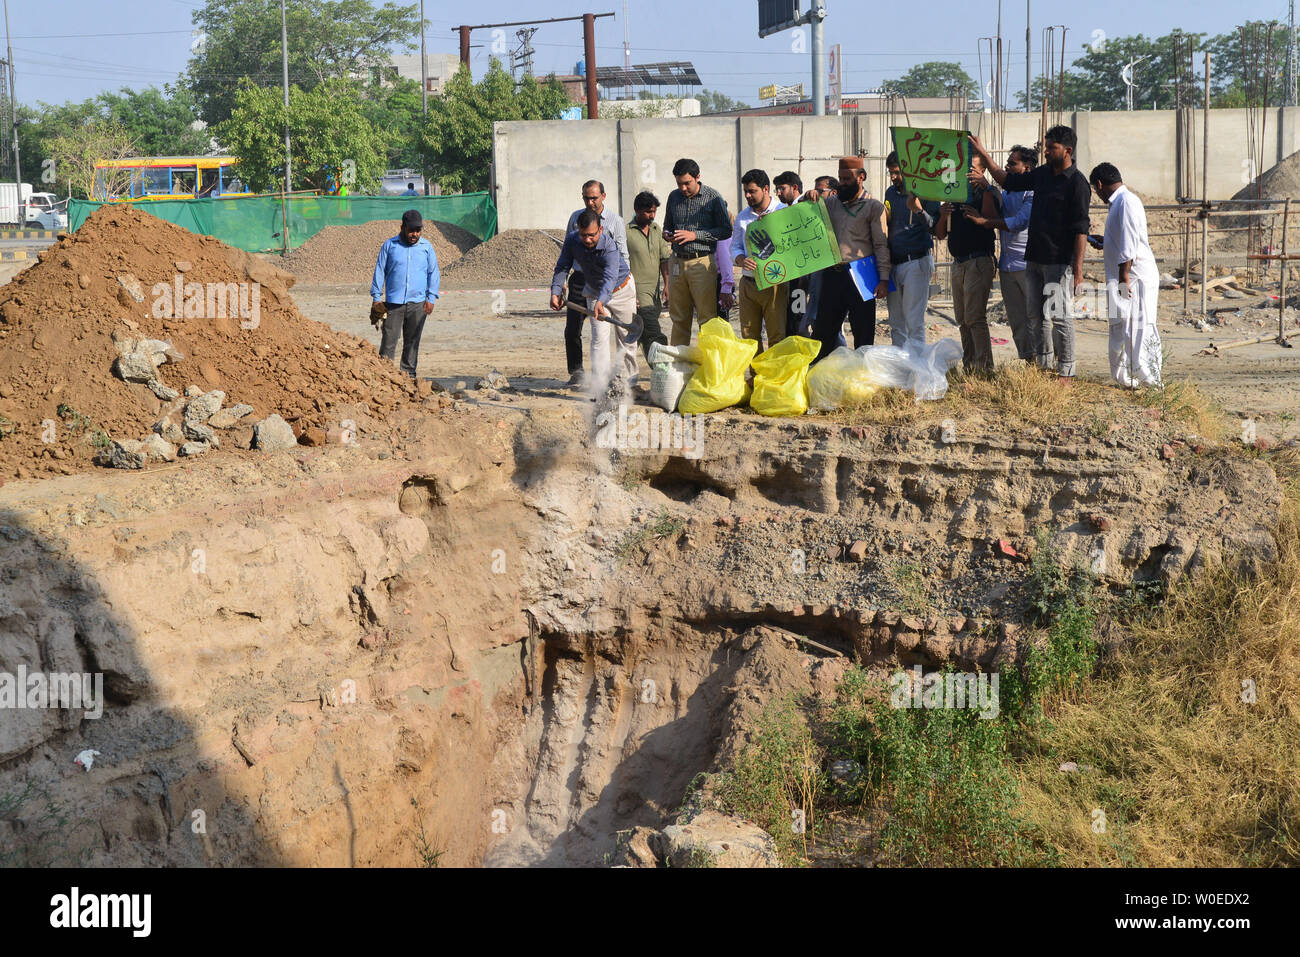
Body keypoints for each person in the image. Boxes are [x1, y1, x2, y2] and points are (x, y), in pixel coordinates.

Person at [970, 126, 1090, 381]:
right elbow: (1006, 181)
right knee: (1036, 317)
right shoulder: (1043, 175)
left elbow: (1081, 230)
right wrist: (984, 153)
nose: (1046, 152)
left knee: (1060, 317)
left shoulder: (1077, 183)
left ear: (1067, 150)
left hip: (1058, 261)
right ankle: (1044, 369)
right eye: (1046, 147)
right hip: (1034, 257)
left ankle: (1066, 372)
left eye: (1052, 148)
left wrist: (1077, 272)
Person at [803, 157, 891, 361]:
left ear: (862, 177)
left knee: (863, 336)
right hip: (833, 275)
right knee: (823, 334)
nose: (842, 183)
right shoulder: (832, 203)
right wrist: (808, 198)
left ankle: (862, 384)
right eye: (840, 178)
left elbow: (880, 244)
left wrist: (884, 279)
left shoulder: (873, 206)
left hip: (861, 277)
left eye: (847, 178)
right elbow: (806, 217)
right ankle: (818, 380)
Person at [549, 209, 639, 401]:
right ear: (578, 231)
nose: (588, 239)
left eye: (592, 235)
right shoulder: (573, 240)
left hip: (621, 290)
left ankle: (630, 383)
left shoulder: (609, 247)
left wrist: (601, 301)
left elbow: (610, 276)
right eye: (583, 235)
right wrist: (556, 290)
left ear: (600, 229)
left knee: (627, 337)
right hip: (594, 291)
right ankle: (601, 388)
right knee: (599, 339)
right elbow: (563, 265)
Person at [1090, 163, 1162, 389]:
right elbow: (1125, 238)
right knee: (1121, 326)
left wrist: (1124, 276)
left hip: (1134, 277)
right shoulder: (1119, 203)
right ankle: (1126, 379)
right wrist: (1106, 241)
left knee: (1140, 326)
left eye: (1096, 189)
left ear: (1100, 185)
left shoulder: (1126, 202)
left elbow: (1130, 241)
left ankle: (1149, 380)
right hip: (1124, 276)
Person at [962, 145, 1036, 362]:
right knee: (1017, 319)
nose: (1006, 166)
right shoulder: (1007, 191)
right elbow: (999, 215)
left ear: (1027, 168)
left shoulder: (1032, 192)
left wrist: (985, 221)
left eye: (1012, 163)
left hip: (1026, 265)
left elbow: (1019, 222)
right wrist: (986, 191)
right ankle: (1029, 361)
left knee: (1036, 318)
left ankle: (1045, 363)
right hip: (1007, 265)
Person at [934, 153, 1001, 373]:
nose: (967, 172)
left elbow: (991, 221)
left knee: (975, 317)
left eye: (972, 168)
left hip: (978, 259)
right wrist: (943, 215)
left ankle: (984, 368)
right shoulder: (955, 194)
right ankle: (971, 365)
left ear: (982, 170)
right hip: (959, 262)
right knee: (962, 319)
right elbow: (941, 234)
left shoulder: (989, 193)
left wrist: (986, 189)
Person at [562, 180, 629, 388]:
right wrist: (562, 281)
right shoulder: (576, 218)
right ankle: (577, 372)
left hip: (606, 281)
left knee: (615, 331)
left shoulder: (615, 222)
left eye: (594, 198)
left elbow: (622, 254)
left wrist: (625, 286)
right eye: (586, 198)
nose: (590, 202)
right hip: (580, 279)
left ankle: (621, 377)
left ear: (603, 196)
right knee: (573, 328)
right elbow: (567, 250)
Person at [663, 158, 732, 345]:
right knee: (678, 319)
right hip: (677, 262)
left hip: (702, 263)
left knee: (707, 319)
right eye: (679, 184)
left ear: (698, 177)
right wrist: (667, 234)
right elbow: (667, 225)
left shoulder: (713, 198)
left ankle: (707, 365)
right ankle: (680, 367)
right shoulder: (673, 197)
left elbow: (726, 230)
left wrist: (695, 235)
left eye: (687, 183)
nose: (683, 188)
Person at [721, 169, 788, 351]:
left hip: (775, 283)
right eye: (745, 192)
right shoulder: (743, 217)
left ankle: (775, 378)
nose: (748, 195)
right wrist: (741, 259)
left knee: (776, 335)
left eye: (752, 191)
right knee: (749, 336)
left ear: (765, 189)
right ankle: (756, 376)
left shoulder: (782, 212)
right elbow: (734, 247)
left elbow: (790, 245)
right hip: (749, 284)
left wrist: (772, 225)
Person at [370, 209, 440, 379]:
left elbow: (434, 273)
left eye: (418, 231)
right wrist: (376, 298)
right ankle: (384, 376)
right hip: (394, 304)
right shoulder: (389, 246)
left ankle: (409, 376)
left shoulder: (426, 248)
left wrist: (431, 298)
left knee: (412, 341)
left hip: (418, 304)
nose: (414, 234)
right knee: (389, 340)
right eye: (411, 230)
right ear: (402, 227)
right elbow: (379, 271)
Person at [884, 151, 941, 352]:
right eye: (890, 172)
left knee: (914, 321)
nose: (893, 177)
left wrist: (918, 210)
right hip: (895, 262)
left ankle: (917, 370)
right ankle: (901, 371)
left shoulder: (925, 193)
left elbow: (936, 227)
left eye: (897, 173)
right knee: (896, 322)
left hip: (916, 262)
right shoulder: (890, 193)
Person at [626, 190, 672, 360]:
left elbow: (664, 259)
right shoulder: (626, 233)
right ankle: (663, 368)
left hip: (655, 295)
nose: (652, 215)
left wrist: (667, 285)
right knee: (654, 334)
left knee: (637, 338)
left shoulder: (655, 229)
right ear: (637, 210)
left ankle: (620, 376)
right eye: (648, 211)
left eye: (654, 211)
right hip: (637, 294)